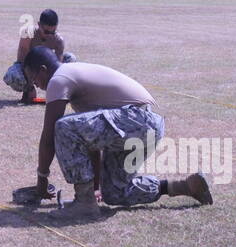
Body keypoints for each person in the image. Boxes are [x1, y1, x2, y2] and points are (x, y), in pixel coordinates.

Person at [23, 46, 212, 218]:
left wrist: (42, 179)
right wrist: (95, 189)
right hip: (146, 126)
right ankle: (185, 186)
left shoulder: (59, 79)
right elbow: (91, 144)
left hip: (137, 120)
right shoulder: (72, 76)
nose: (36, 85)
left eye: (34, 78)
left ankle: (83, 203)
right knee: (114, 192)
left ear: (43, 70)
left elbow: (48, 137)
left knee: (63, 127)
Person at [4, 8, 76, 103]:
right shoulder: (28, 34)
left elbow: (58, 69)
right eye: (46, 32)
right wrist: (29, 87)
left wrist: (55, 92)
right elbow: (22, 62)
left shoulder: (58, 41)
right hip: (30, 68)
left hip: (46, 71)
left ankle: (66, 94)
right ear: (39, 25)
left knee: (70, 59)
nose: (50, 35)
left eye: (53, 32)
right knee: (13, 75)